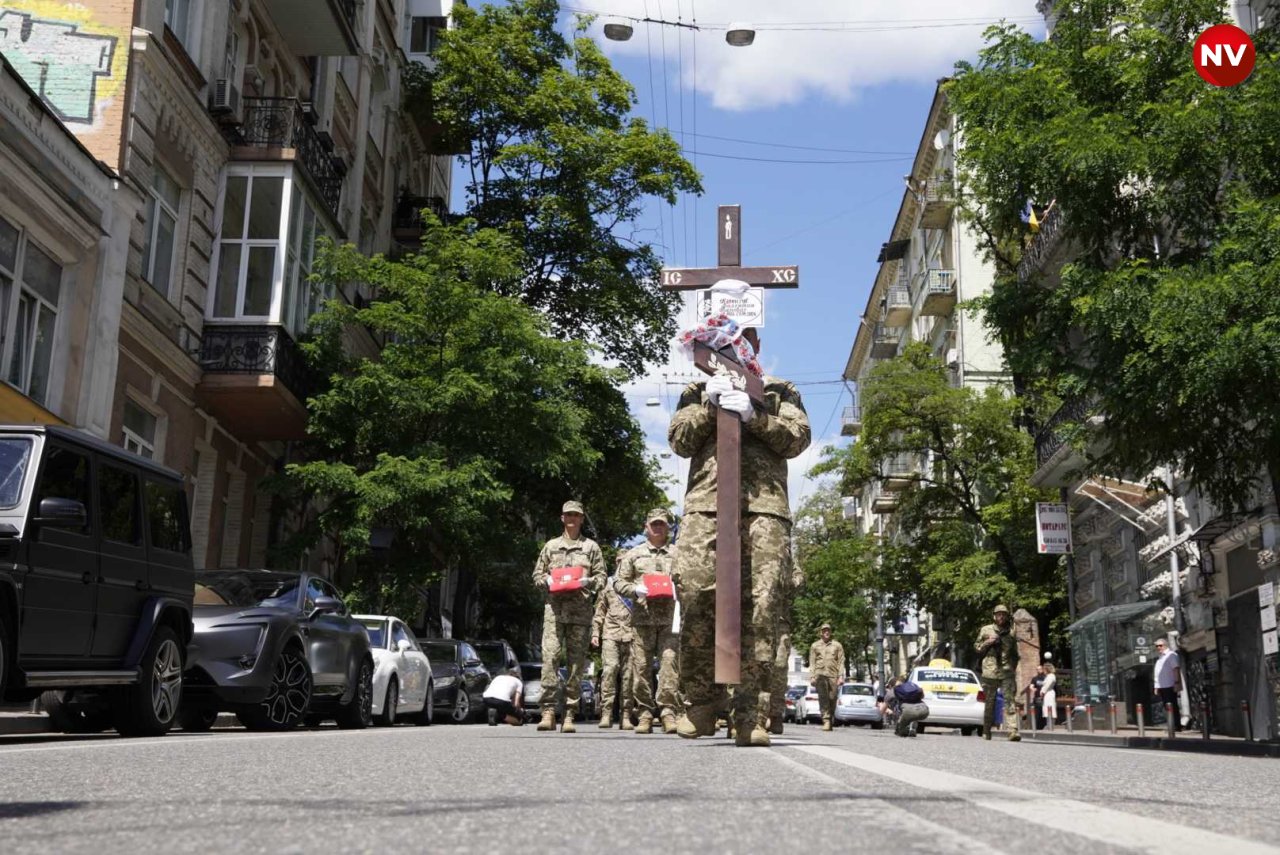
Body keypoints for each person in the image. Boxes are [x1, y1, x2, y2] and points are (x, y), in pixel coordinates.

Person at [669, 326, 811, 747]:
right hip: (706, 508)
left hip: (764, 510)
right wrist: (710, 408)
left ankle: (751, 712)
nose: (732, 345)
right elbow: (679, 440)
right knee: (695, 596)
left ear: (755, 344)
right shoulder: (697, 389)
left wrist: (756, 416)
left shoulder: (778, 390)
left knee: (762, 609)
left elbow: (798, 438)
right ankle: (700, 704)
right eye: (724, 339)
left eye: (743, 337)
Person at [532, 500, 606, 733]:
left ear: (582, 519)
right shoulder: (551, 546)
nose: (572, 518)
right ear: (562, 518)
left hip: (580, 613)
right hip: (554, 611)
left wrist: (589, 581)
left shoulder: (591, 548)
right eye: (568, 515)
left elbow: (602, 577)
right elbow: (537, 575)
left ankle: (570, 714)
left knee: (575, 665)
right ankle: (548, 711)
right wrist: (547, 581)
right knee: (550, 659)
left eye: (576, 515)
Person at [615, 508, 680, 734]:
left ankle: (668, 712)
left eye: (662, 524)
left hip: (669, 621)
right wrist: (635, 590)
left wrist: (676, 587)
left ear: (668, 527)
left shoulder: (678, 553)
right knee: (641, 668)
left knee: (669, 665)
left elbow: (689, 580)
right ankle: (644, 714)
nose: (658, 527)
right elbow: (618, 583)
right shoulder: (634, 554)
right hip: (642, 620)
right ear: (646, 527)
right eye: (654, 524)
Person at [591, 570, 635, 730]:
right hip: (610, 633)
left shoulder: (636, 584)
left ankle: (626, 715)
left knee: (628, 676)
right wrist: (595, 633)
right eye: (618, 562)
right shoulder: (608, 584)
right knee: (610, 671)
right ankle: (606, 714)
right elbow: (600, 609)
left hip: (632, 634)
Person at [975, 604, 1021, 742]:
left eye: (1004, 614)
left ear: (1007, 617)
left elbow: (1015, 654)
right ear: (994, 616)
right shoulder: (986, 630)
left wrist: (1012, 668)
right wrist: (987, 643)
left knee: (1009, 700)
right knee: (990, 702)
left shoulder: (1011, 633)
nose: (1001, 616)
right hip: (990, 671)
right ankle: (986, 730)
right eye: (998, 614)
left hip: (1006, 671)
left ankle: (1013, 730)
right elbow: (977, 648)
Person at [768, 561, 804, 735]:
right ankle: (751, 715)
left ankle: (775, 714)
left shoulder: (785, 556)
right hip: (754, 619)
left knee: (780, 666)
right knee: (755, 665)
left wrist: (781, 580)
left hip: (780, 621)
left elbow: (799, 579)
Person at [807, 622, 846, 732]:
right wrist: (812, 676)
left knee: (832, 698)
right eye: (824, 630)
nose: (826, 632)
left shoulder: (837, 645)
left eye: (828, 630)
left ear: (831, 632)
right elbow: (812, 661)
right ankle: (826, 719)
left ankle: (831, 717)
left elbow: (841, 661)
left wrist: (841, 676)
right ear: (821, 633)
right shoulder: (815, 645)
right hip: (820, 675)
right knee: (823, 697)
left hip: (833, 675)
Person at [1153, 637, 1181, 730]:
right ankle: (1171, 724)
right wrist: (1156, 687)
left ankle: (1176, 725)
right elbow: (1157, 674)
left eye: (1160, 645)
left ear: (1165, 645)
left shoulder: (1171, 655)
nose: (1158, 647)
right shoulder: (1160, 658)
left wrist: (1177, 683)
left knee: (1172, 705)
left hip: (1170, 685)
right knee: (1166, 706)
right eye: (1157, 646)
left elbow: (1176, 669)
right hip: (1162, 686)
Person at [1040, 662, 1057, 728]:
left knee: (1050, 708)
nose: (1043, 671)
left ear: (1047, 669)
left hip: (1049, 694)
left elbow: (1047, 685)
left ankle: (1051, 724)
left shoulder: (1051, 676)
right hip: (1047, 694)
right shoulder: (1048, 676)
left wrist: (1043, 692)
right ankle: (1048, 723)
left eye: (1044, 669)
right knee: (1046, 708)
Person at [1030, 664, 1047, 730]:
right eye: (1037, 669)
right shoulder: (1035, 678)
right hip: (1037, 698)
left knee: (1044, 711)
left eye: (1039, 669)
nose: (1038, 670)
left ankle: (1044, 725)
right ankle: (1038, 727)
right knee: (1038, 713)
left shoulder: (1045, 677)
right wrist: (1033, 689)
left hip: (1045, 697)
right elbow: (1031, 686)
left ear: (1042, 669)